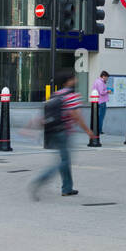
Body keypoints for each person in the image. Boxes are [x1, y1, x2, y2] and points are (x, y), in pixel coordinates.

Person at [31, 69, 93, 199]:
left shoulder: (55, 94)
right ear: (68, 81)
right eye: (73, 78)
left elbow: (45, 113)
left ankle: (67, 188)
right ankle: (42, 178)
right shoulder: (72, 95)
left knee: (64, 160)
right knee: (64, 161)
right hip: (64, 132)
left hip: (52, 131)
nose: (76, 80)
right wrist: (87, 130)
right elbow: (76, 115)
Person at [89, 70, 111, 135]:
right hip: (102, 101)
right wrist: (108, 91)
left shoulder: (96, 81)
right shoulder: (101, 82)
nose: (107, 79)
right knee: (101, 117)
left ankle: (95, 129)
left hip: (96, 102)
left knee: (96, 116)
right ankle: (99, 130)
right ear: (103, 76)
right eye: (107, 77)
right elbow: (102, 92)